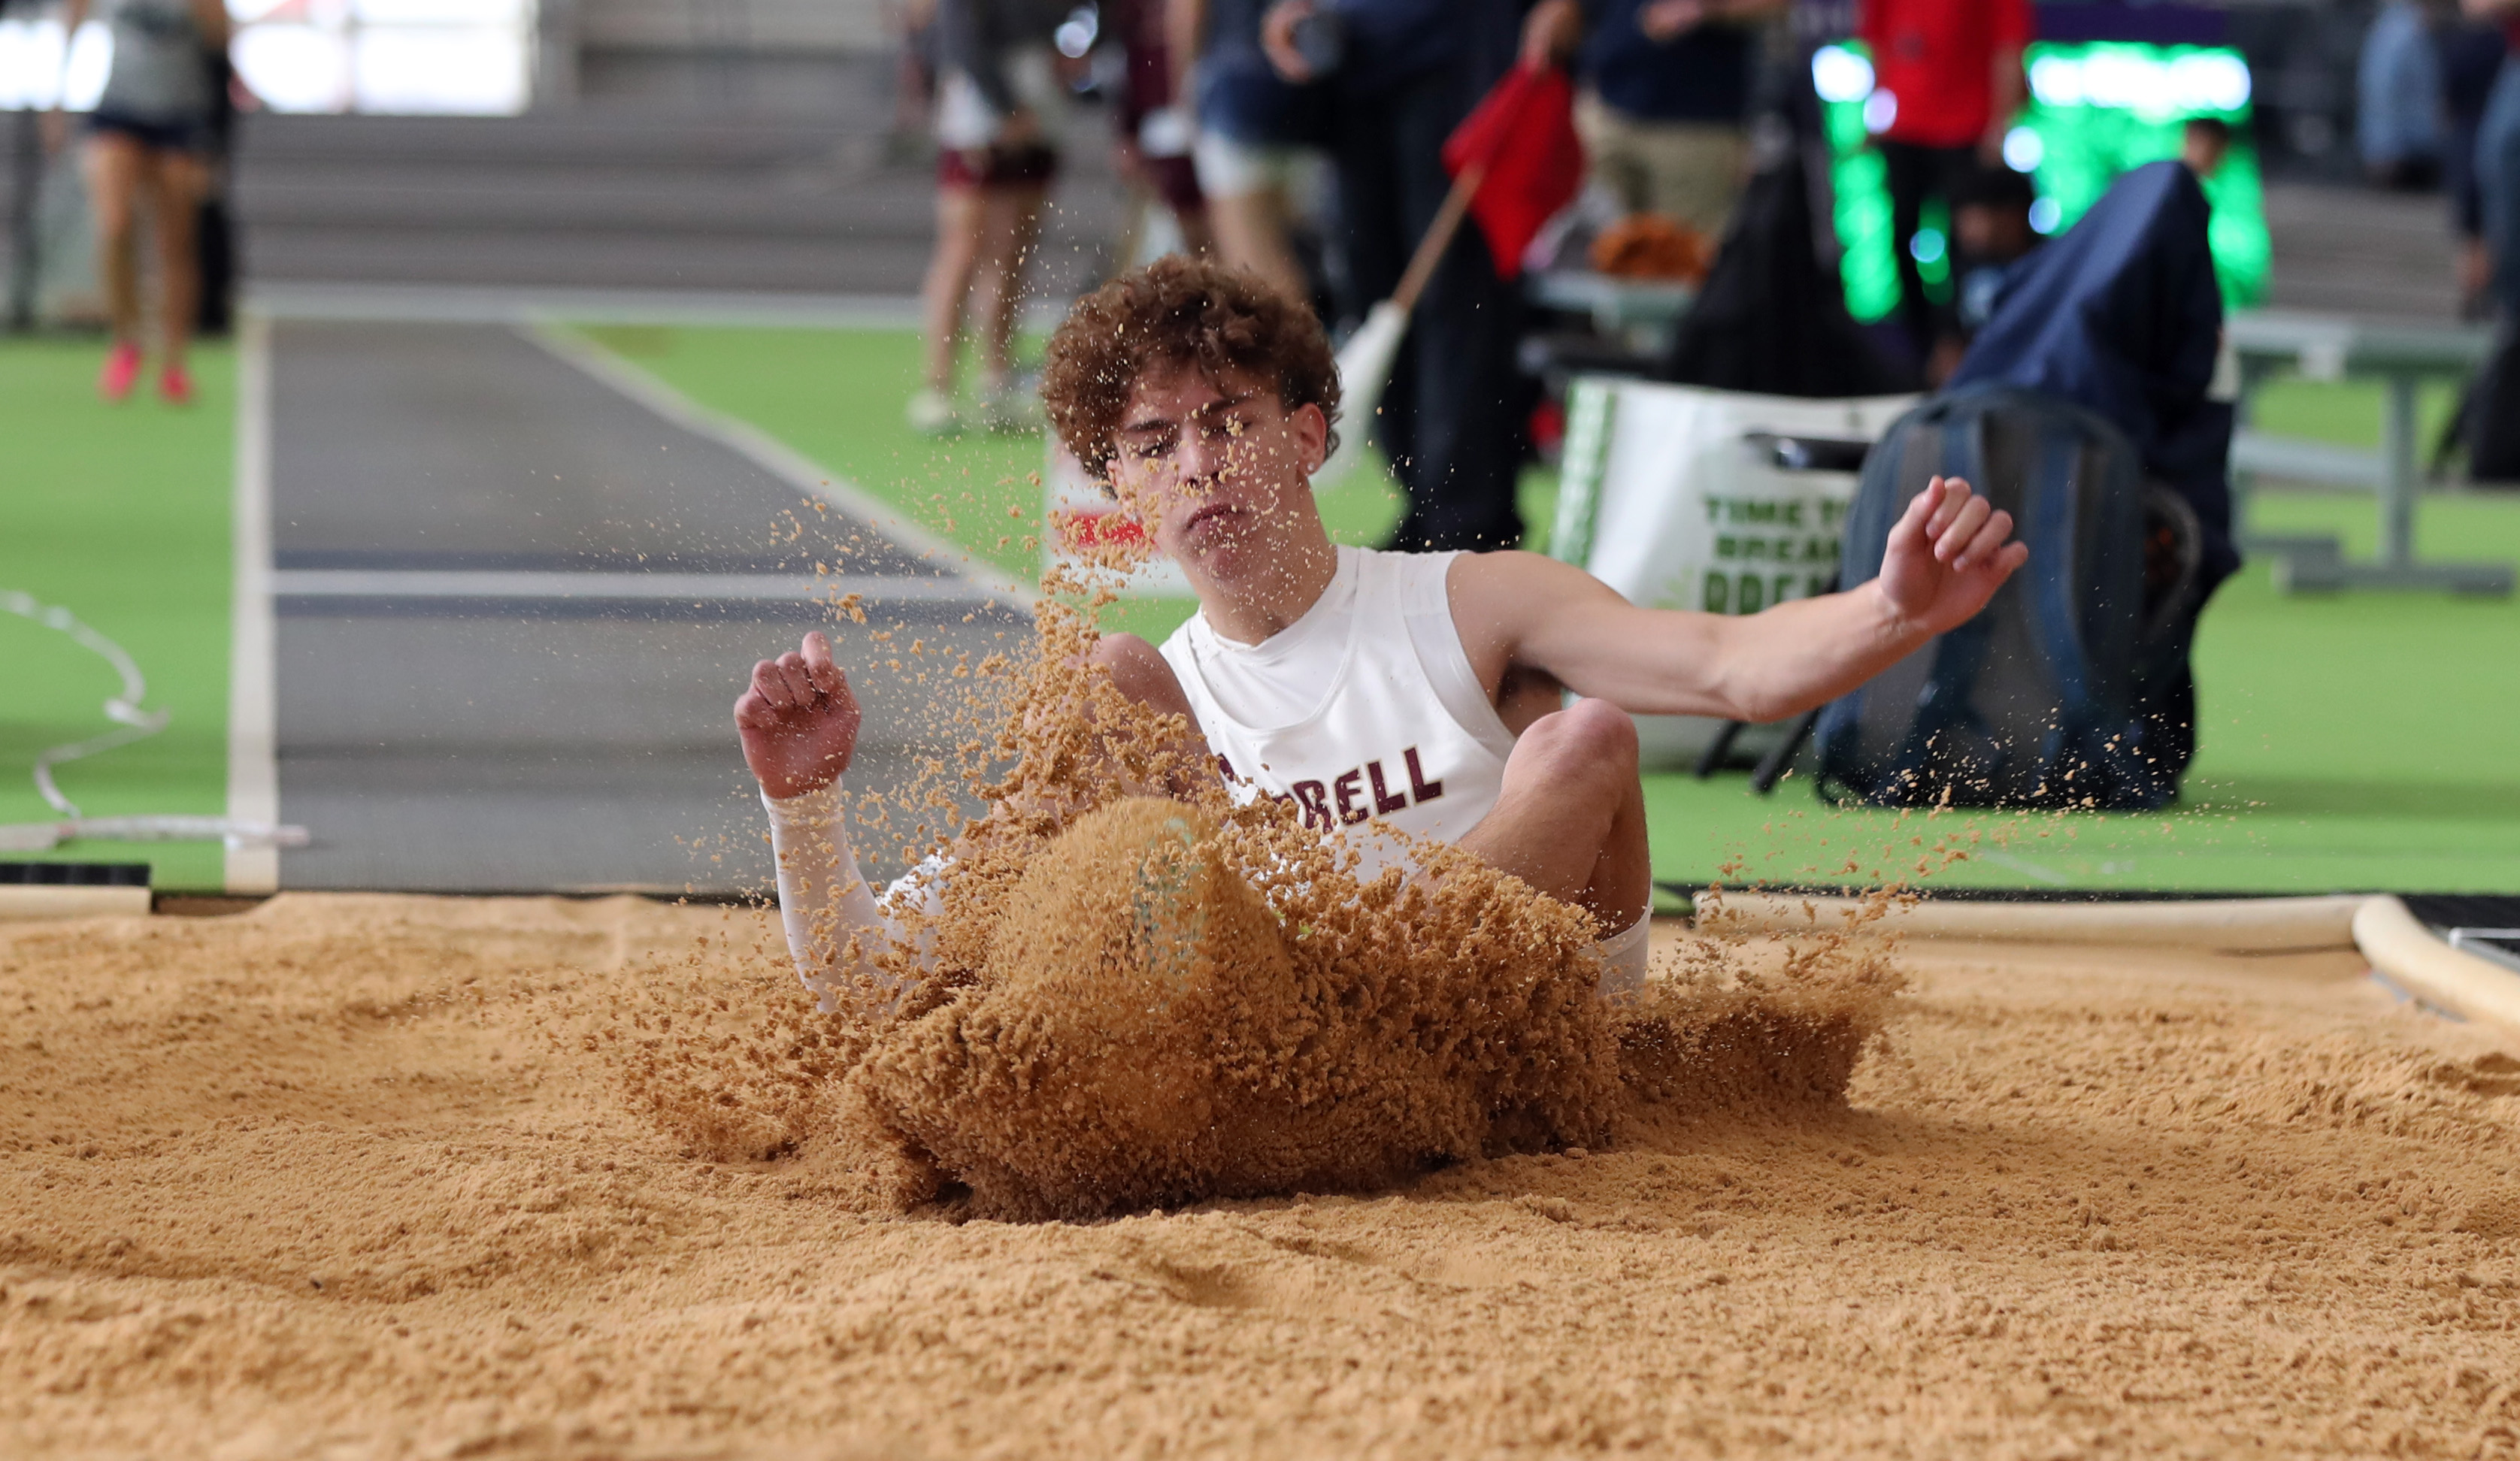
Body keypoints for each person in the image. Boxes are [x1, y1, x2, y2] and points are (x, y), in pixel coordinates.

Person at [735, 259, 2027, 1019]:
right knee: (1107, 678)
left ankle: (1346, 1024)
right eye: (1155, 444)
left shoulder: (1471, 603)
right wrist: (804, 808)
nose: (1200, 465)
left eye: (1230, 421)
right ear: (1122, 487)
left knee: (1585, 740)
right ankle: (1299, 1042)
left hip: (1515, 1037)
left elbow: (1729, 667)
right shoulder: (1144, 713)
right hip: (1285, 1058)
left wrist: (1896, 609)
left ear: (1307, 436)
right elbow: (869, 976)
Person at [1256, 0, 1534, 550]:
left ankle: (1465, 519)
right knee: (1376, 300)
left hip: (1459, 63)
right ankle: (1424, 503)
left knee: (1456, 300)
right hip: (1351, 66)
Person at [48, 0, 230, 404]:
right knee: (114, 225)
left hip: (181, 120)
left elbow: (222, 46)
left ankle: (174, 361)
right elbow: (72, 20)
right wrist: (57, 100)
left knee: (176, 243)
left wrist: (218, 140)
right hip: (118, 113)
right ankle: (127, 342)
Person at [910, 0, 1072, 437]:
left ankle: (996, 380)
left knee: (1013, 250)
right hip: (980, 101)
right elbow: (959, 33)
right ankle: (938, 384)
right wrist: (1004, 106)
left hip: (1038, 89)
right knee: (963, 248)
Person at [1855, 0, 2034, 362]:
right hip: (1904, 128)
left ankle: (1962, 346)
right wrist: (1875, 109)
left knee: (1966, 247)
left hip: (1967, 128)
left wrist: (1999, 126)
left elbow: (2009, 45)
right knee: (1901, 237)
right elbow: (1878, 41)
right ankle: (1925, 352)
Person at [1553, 0, 1786, 237]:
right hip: (1605, 109)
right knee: (1602, 247)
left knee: (1683, 253)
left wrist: (1706, 9)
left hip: (1697, 127)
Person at [1168, 0, 1325, 303]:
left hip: (1236, 101)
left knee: (1256, 273)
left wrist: (1183, 94)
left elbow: (1187, 16)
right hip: (1304, 95)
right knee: (1292, 256)